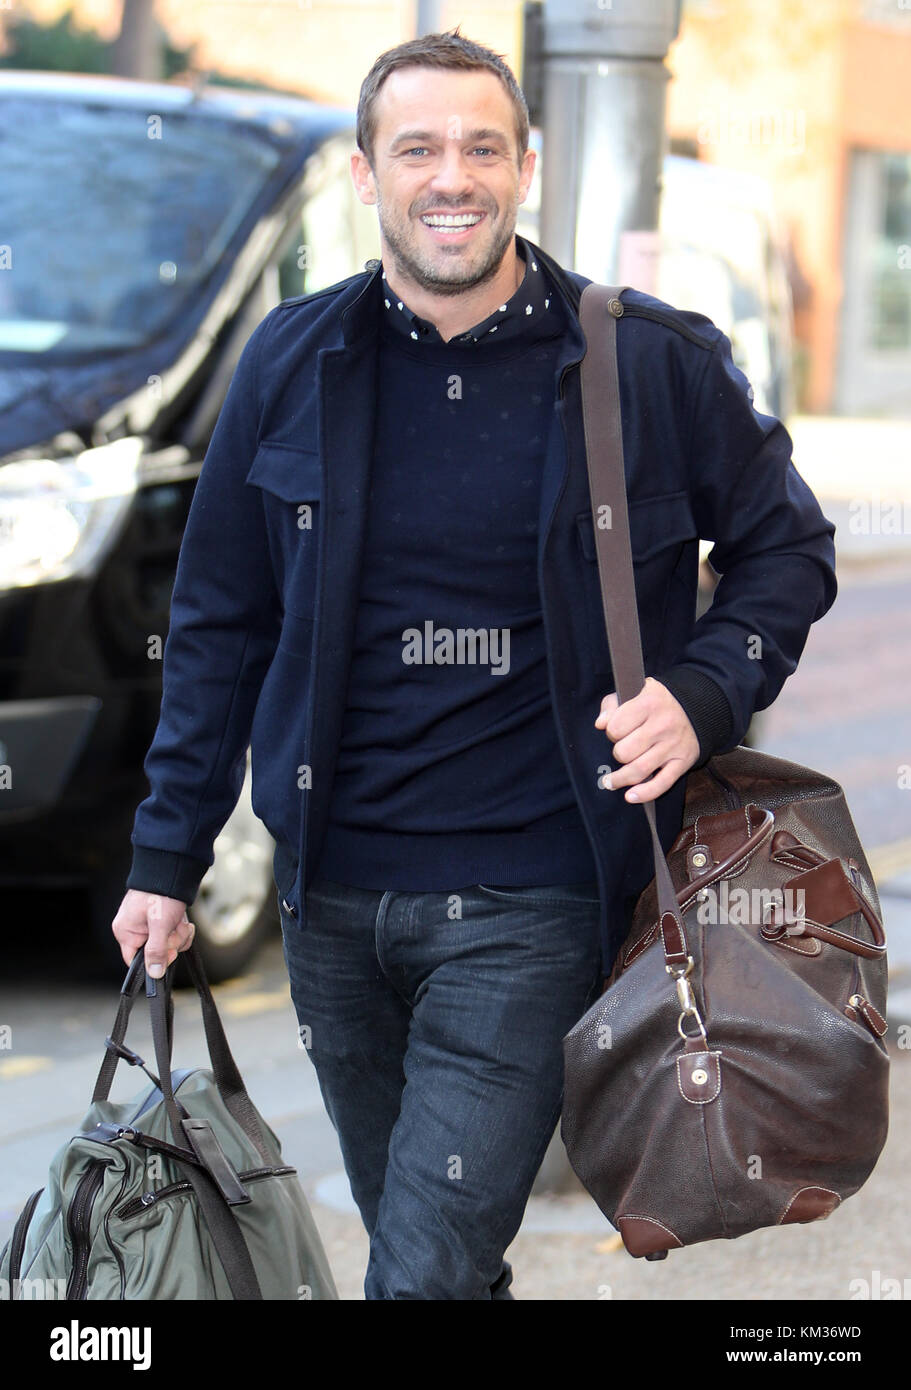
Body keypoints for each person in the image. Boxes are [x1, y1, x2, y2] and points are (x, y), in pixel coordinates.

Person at [113, 29, 837, 1299]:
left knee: (418, 1275)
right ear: (364, 175)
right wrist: (165, 861)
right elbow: (217, 625)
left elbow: (787, 548)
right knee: (440, 1255)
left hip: (533, 897)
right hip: (331, 903)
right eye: (418, 148)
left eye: (479, 147)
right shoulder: (290, 364)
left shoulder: (644, 361)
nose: (451, 175)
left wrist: (701, 690)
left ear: (525, 166)